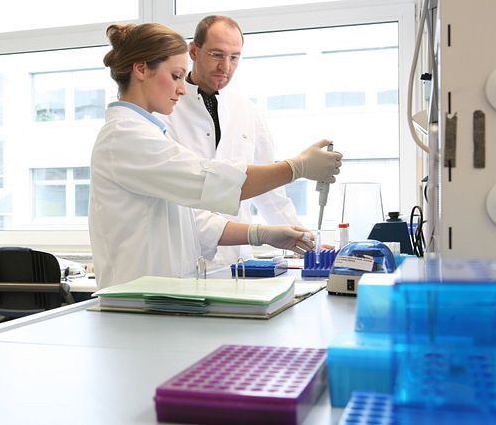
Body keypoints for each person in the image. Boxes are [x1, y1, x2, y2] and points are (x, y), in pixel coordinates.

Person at [89, 22, 342, 288]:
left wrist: (262, 233)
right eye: (176, 76)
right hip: (137, 299)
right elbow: (211, 183)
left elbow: (191, 219)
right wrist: (296, 167)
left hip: (167, 292)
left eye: (234, 57)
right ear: (140, 69)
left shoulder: (147, 132)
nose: (181, 88)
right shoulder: (126, 137)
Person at [158, 15, 318, 266]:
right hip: (182, 260)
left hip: (237, 262)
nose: (226, 66)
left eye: (234, 57)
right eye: (216, 55)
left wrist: (307, 242)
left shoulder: (248, 111)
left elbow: (270, 192)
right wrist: (259, 233)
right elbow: (180, 196)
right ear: (193, 51)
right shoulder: (166, 111)